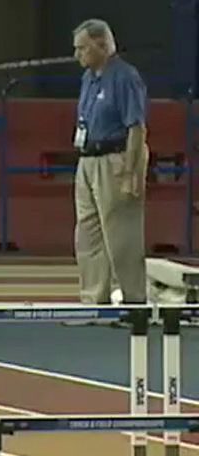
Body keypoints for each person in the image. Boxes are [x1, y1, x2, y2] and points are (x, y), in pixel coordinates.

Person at [71, 18, 148, 309]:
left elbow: (136, 128)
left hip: (114, 159)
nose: (77, 55)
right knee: (88, 234)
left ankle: (133, 301)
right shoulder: (88, 78)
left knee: (121, 235)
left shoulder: (125, 77)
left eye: (82, 48)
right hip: (87, 159)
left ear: (102, 45)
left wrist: (130, 173)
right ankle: (94, 301)